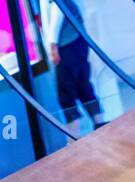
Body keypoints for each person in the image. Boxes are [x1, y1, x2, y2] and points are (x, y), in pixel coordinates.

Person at [38, 0, 106, 132]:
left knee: (66, 94)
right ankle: (100, 125)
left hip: (68, 44)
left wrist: (53, 45)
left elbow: (58, 10)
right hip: (75, 41)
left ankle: (74, 137)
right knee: (82, 86)